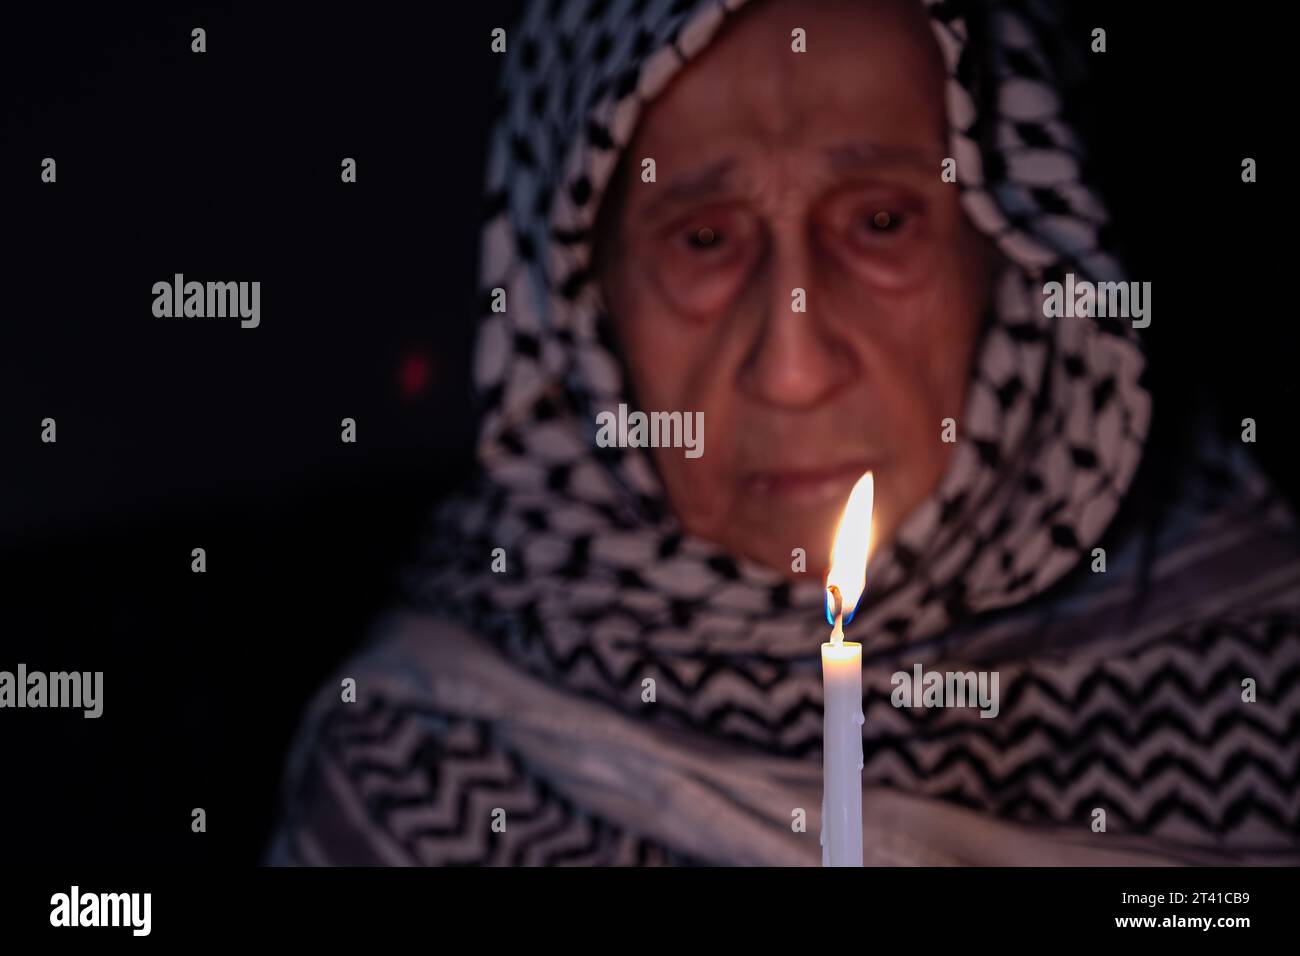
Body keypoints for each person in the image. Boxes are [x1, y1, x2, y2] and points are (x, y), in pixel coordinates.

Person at [265, 0, 1300, 866]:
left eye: (881, 221)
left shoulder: (1260, 667)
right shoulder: (421, 768)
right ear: (583, 303)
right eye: (704, 240)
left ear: (1013, 249)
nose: (793, 366)